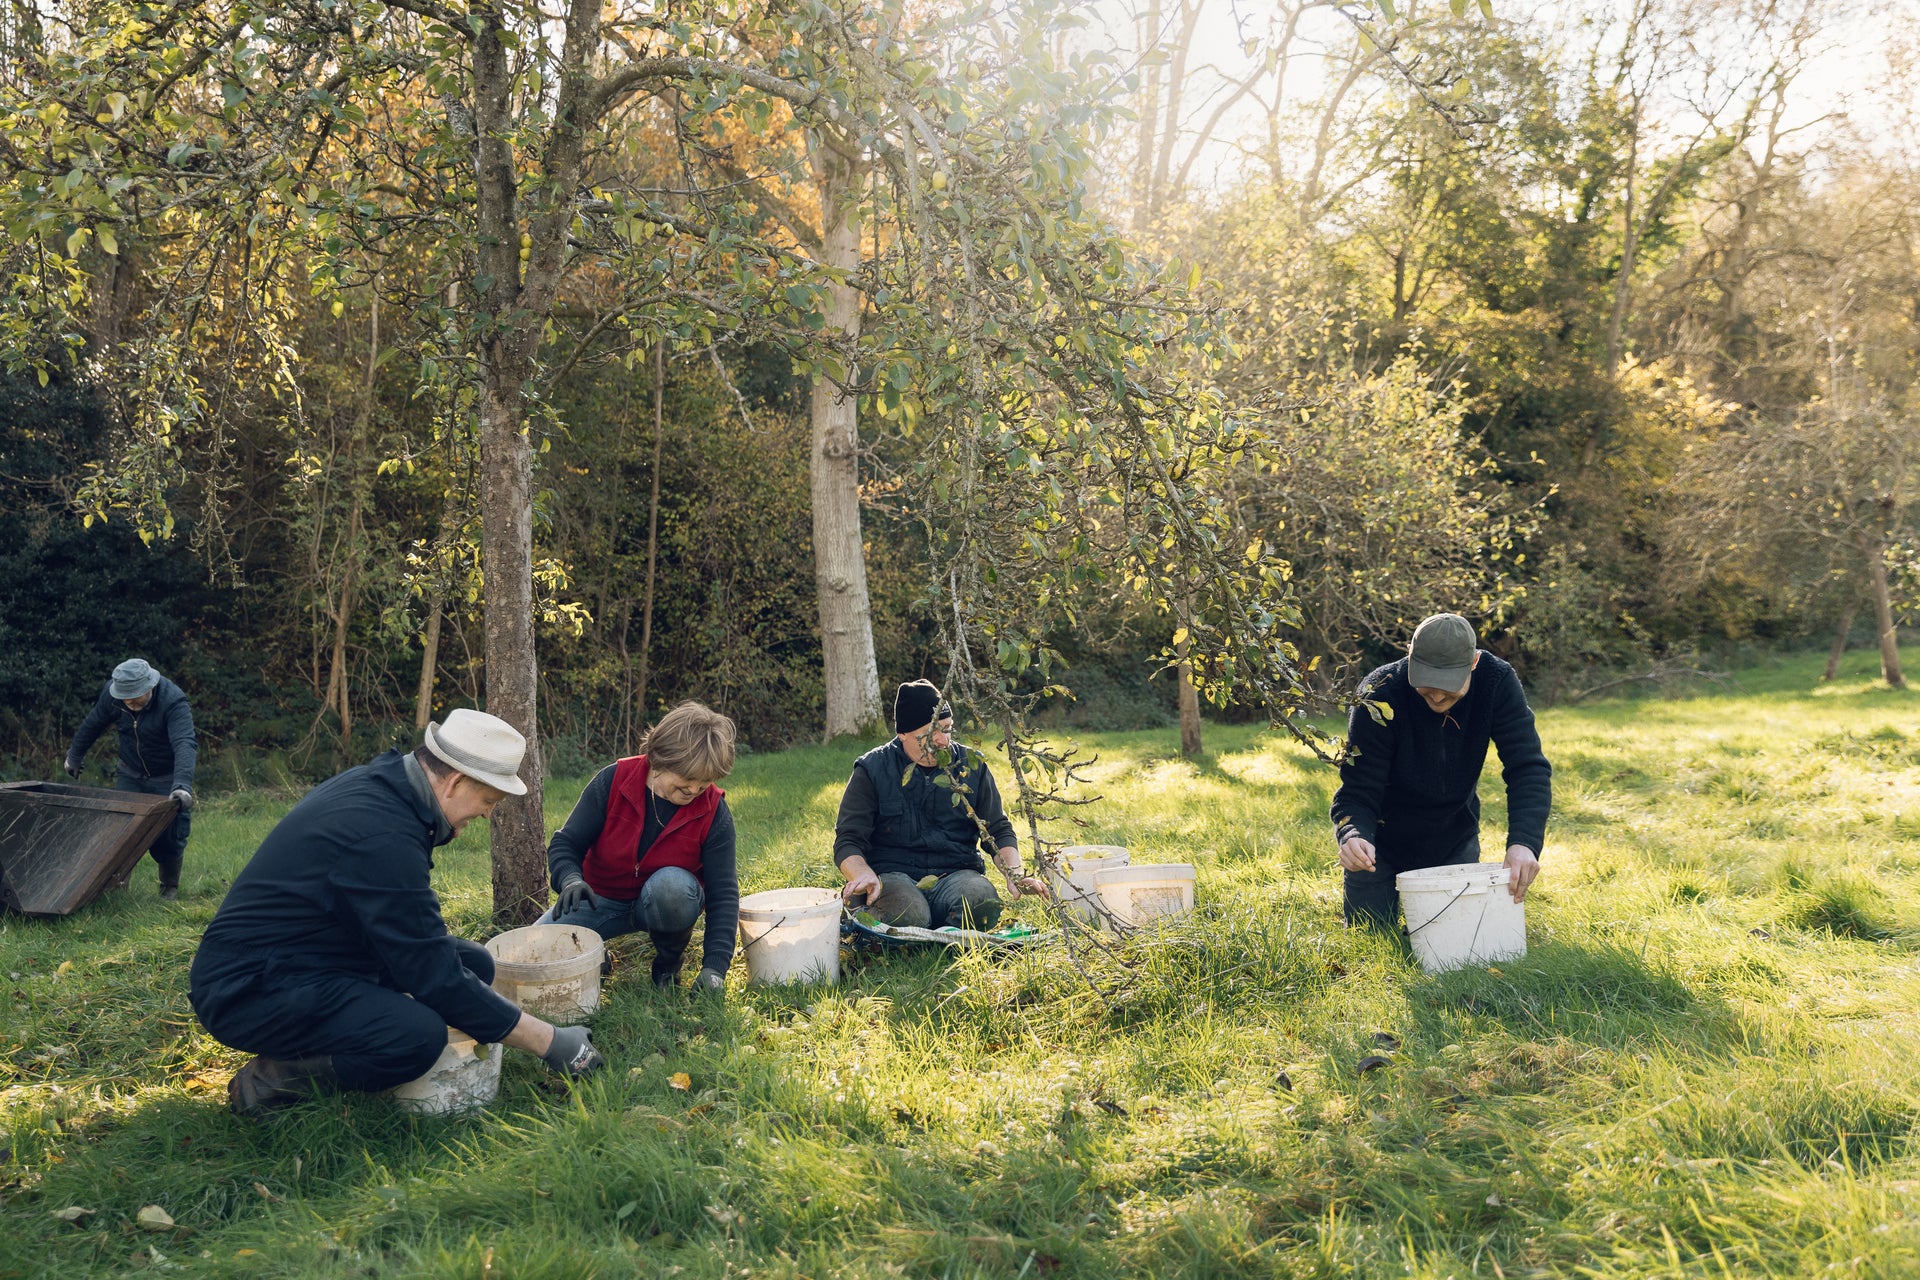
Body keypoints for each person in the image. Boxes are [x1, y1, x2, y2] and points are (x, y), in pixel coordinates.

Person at [189, 709, 604, 1116]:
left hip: (312, 953)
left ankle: (352, 1032)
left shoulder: (390, 789)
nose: (488, 813)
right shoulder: (381, 835)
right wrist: (551, 1042)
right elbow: (432, 973)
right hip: (249, 988)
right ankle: (270, 1082)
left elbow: (421, 950)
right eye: (488, 800)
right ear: (455, 782)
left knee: (473, 962)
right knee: (413, 1038)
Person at [1330, 612, 1553, 932]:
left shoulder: (1496, 682)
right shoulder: (1379, 694)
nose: (1436, 696)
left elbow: (1527, 767)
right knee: (1370, 936)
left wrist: (1524, 843)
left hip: (1452, 840)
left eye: (1448, 687)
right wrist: (1353, 836)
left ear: (1473, 663)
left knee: (1456, 943)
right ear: (1410, 654)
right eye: (1426, 684)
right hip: (1379, 848)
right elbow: (1356, 790)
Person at [545, 702, 740, 994]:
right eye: (687, 780)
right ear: (660, 760)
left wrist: (714, 968)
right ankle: (595, 956)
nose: (694, 791)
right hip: (599, 899)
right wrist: (570, 878)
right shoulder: (613, 781)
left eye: (703, 784)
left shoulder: (714, 811)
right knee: (538, 949)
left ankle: (668, 964)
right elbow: (566, 842)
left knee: (673, 887)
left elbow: (723, 893)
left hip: (667, 901)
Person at [834, 680, 1048, 929]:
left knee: (983, 902)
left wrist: (1014, 873)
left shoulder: (971, 765)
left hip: (957, 873)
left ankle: (940, 925)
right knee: (909, 913)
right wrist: (862, 874)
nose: (942, 740)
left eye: (947, 729)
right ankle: (902, 919)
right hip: (893, 876)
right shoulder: (872, 769)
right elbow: (848, 840)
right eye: (929, 733)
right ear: (902, 734)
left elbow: (997, 829)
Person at [64, 658, 198, 899]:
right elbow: (93, 723)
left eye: (135, 696)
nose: (130, 702)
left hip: (165, 776)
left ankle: (169, 887)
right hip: (130, 772)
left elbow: (184, 743)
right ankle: (116, 889)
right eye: (126, 698)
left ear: (150, 686)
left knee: (168, 836)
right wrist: (74, 755)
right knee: (122, 833)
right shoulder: (112, 694)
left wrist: (181, 785)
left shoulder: (172, 700)